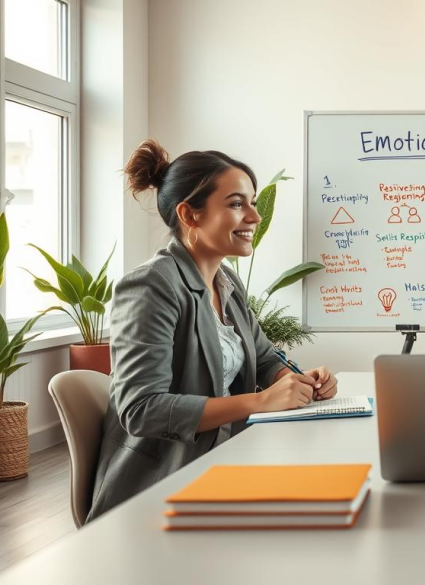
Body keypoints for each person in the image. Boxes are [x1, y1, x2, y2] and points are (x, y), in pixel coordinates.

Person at [87, 140, 339, 522]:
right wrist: (261, 401)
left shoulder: (226, 283)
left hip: (225, 460)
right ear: (190, 214)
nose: (254, 216)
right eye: (237, 204)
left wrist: (297, 379)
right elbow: (141, 409)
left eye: (251, 202)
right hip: (160, 487)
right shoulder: (151, 287)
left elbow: (267, 357)